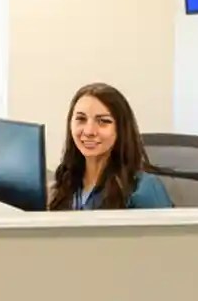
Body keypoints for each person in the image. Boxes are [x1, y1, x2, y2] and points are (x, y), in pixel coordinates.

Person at [47, 83, 173, 211]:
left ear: (121, 129)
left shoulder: (144, 189)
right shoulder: (65, 184)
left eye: (103, 121)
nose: (89, 131)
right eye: (81, 119)